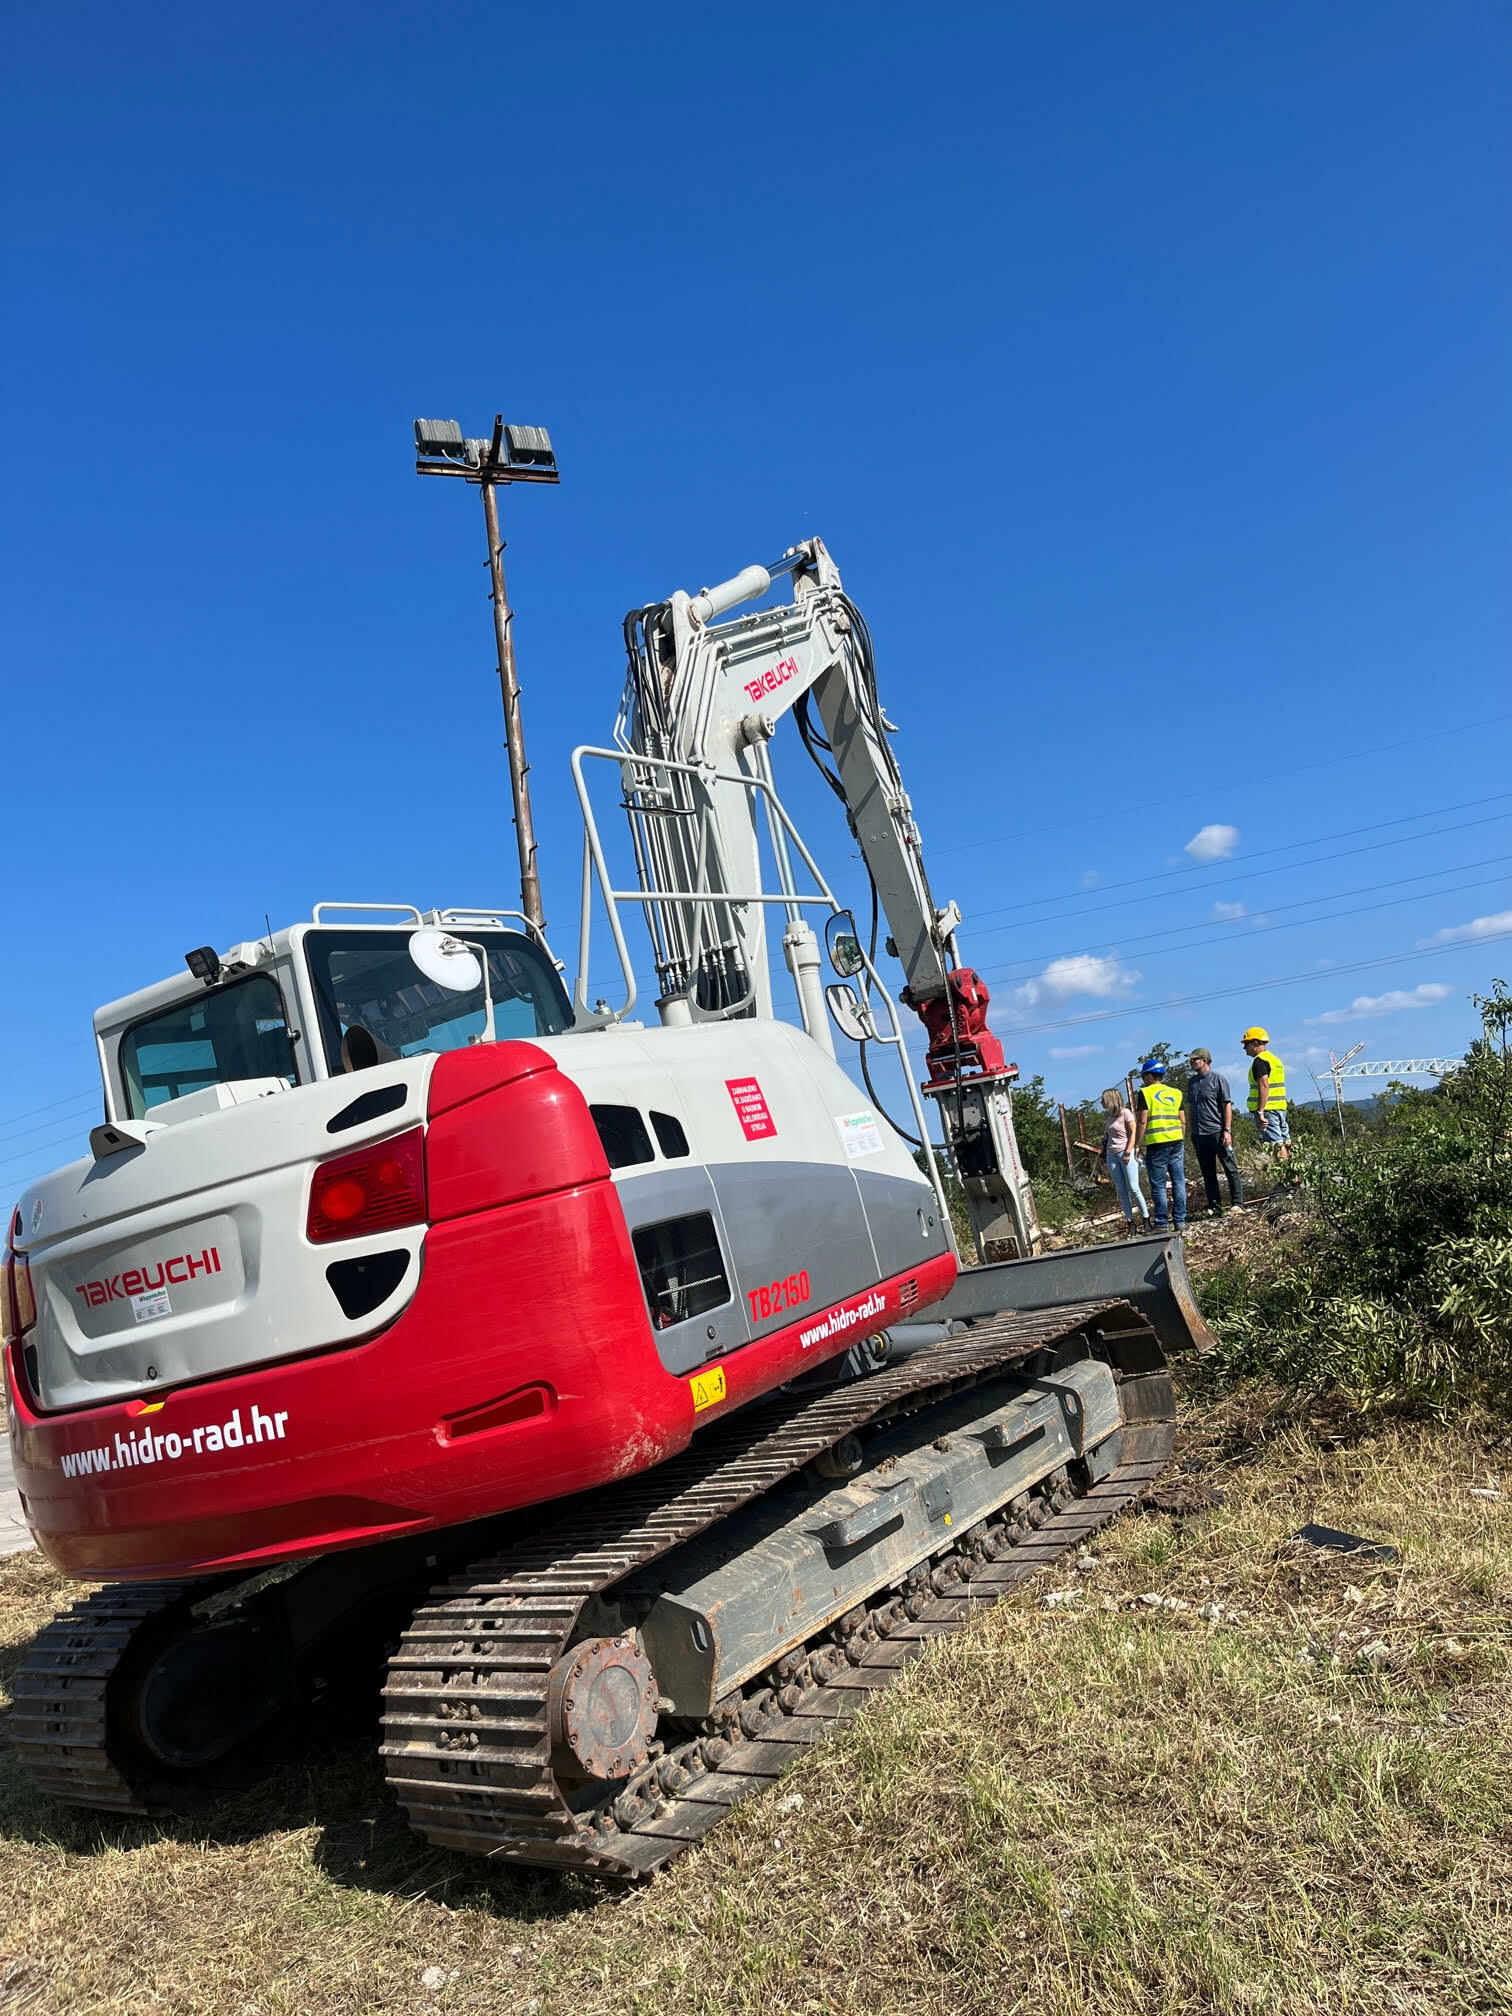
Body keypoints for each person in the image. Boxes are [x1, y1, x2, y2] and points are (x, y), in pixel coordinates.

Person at [1132, 1058, 1186, 1232]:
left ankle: (1162, 1223)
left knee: (1159, 1185)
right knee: (1178, 1182)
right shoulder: (1176, 1093)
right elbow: (1183, 1121)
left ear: (1149, 1076)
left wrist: (1136, 1144)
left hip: (1157, 1144)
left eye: (1143, 1076)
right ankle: (1180, 1221)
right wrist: (1180, 1136)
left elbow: (1142, 1121)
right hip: (1177, 1141)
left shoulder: (1146, 1093)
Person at [1187, 1047, 1243, 1214]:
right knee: (1207, 1171)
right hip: (1199, 1134)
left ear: (1204, 1060)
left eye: (1194, 1059)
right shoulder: (1192, 1082)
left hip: (1217, 1131)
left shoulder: (1218, 1079)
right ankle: (1215, 1206)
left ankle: (1237, 1203)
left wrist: (1227, 1130)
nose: (1191, 1062)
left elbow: (1227, 1105)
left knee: (1229, 1167)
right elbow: (1190, 1107)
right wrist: (1192, 1131)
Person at [1098, 1086, 1149, 1231]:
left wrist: (1128, 1152)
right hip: (1111, 1154)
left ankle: (1145, 1218)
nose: (1102, 1102)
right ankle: (1130, 1222)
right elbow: (1108, 1136)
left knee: (1133, 1187)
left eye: (1103, 1099)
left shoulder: (1126, 1113)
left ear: (1110, 1099)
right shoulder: (1108, 1116)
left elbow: (1133, 1132)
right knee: (1121, 1190)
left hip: (1125, 1153)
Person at [1241, 1025, 1290, 1162]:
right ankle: (1295, 1179)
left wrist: (1260, 1111)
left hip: (1268, 1110)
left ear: (1255, 1043)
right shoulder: (1275, 1060)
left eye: (1246, 1044)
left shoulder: (1259, 1061)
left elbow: (1264, 1084)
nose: (1244, 1048)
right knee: (1286, 1142)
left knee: (1276, 1144)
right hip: (1280, 1107)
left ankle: (1286, 1179)